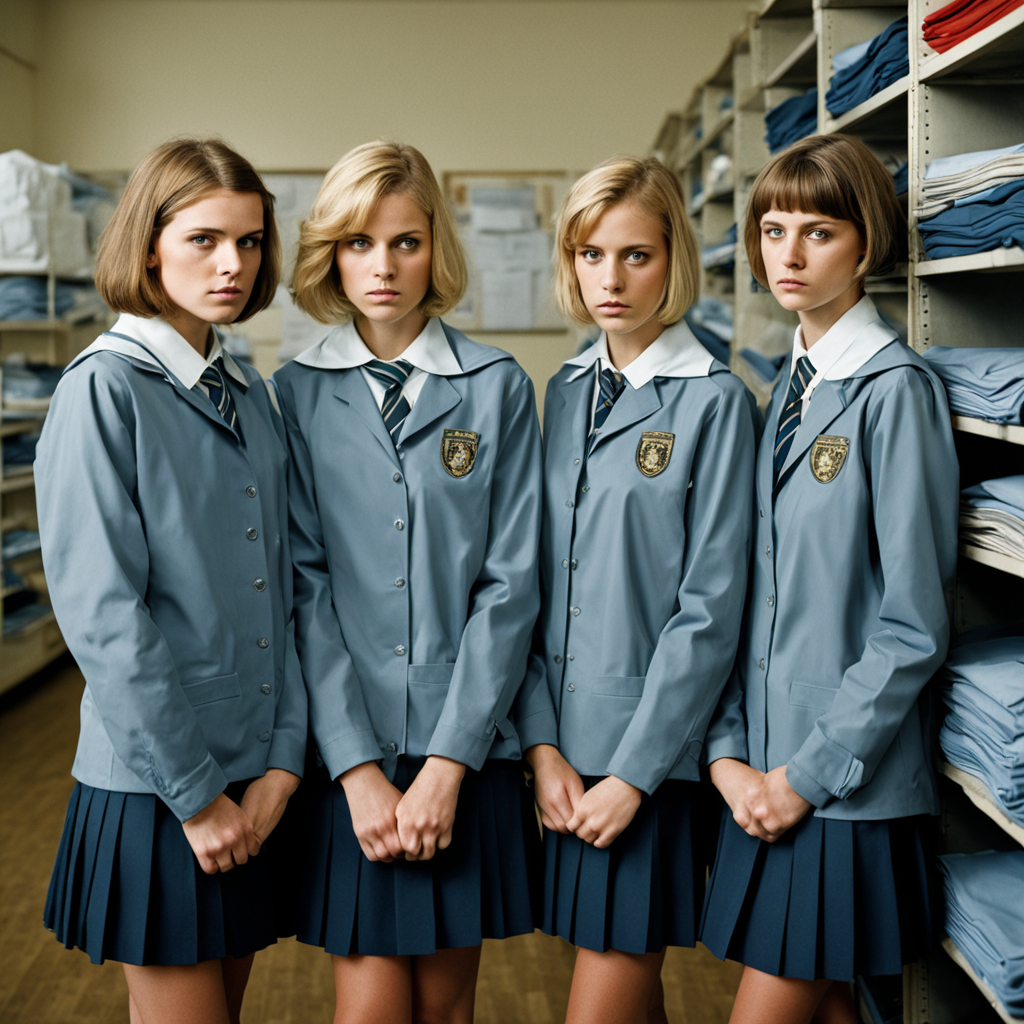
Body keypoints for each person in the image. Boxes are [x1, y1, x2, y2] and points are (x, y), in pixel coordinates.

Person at [37, 138, 307, 1024]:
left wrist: (281, 760)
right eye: (204, 239)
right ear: (148, 244)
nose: (233, 264)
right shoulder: (102, 390)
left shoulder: (242, 384)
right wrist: (197, 797)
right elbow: (105, 617)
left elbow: (282, 585)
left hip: (253, 775)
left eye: (252, 241)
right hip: (165, 786)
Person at [272, 140, 542, 1024]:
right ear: (329, 255)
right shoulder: (296, 392)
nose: (382, 267)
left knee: (447, 1007)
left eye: (405, 242)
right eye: (357, 243)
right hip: (351, 752)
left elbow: (510, 586)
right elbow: (304, 585)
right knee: (371, 1006)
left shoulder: (498, 387)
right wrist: (357, 771)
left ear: (437, 248)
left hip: (464, 751)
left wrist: (448, 766)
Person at [700, 133, 959, 1024]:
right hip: (766, 775)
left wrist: (801, 777)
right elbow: (754, 599)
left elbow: (913, 625)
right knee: (834, 1009)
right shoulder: (790, 387)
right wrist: (730, 755)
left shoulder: (896, 392)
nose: (790, 255)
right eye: (773, 230)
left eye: (819, 232)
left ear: (866, 242)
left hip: (837, 787)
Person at [514, 156, 759, 1024]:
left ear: (675, 260)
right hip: (563, 758)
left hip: (645, 762)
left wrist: (634, 774)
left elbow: (710, 609)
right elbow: (536, 585)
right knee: (625, 993)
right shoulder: (563, 391)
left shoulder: (717, 403)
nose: (610, 279)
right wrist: (542, 749)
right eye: (589, 254)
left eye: (636, 255)